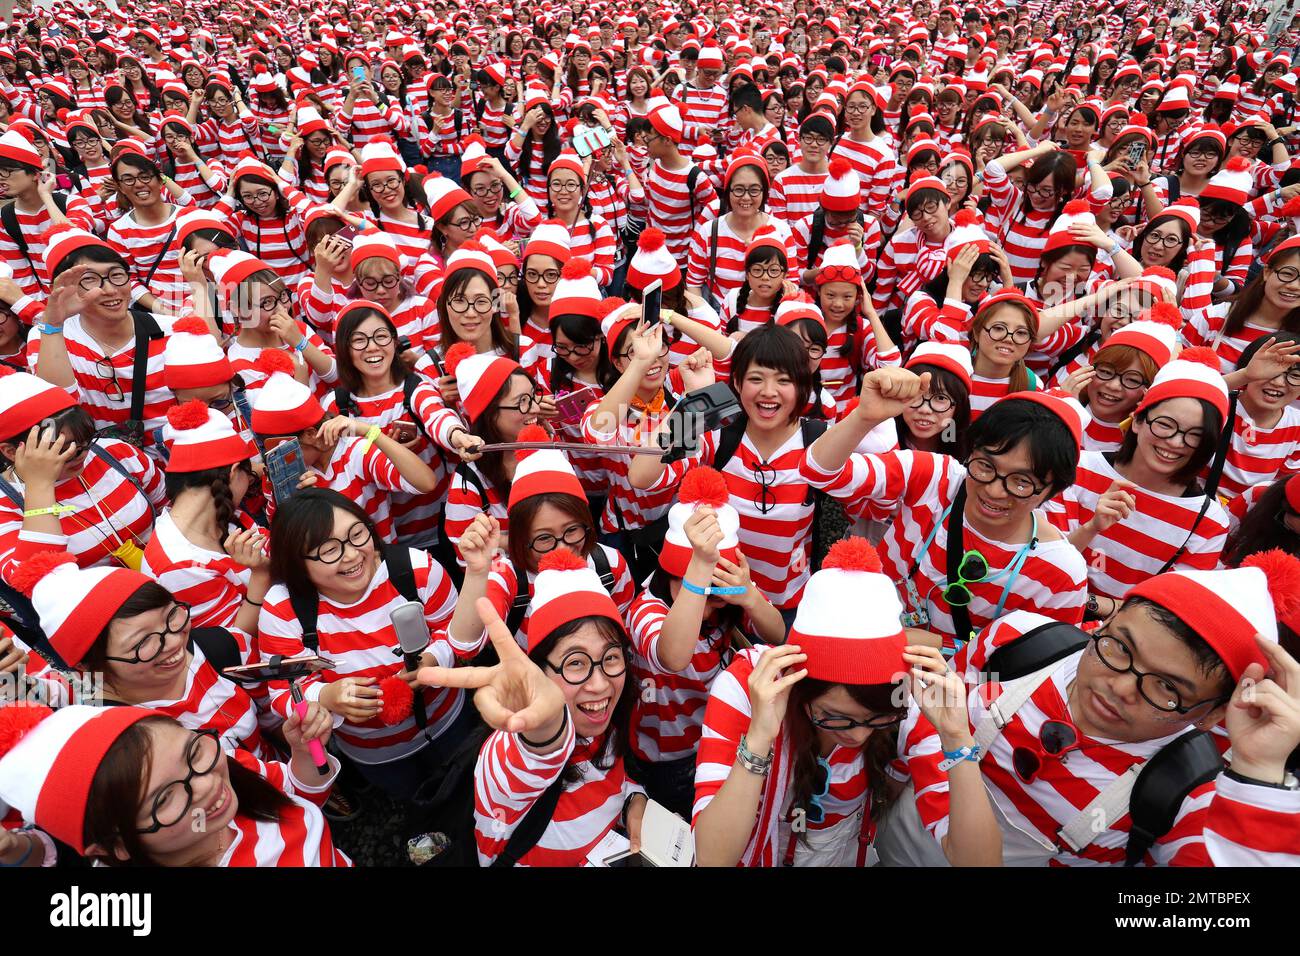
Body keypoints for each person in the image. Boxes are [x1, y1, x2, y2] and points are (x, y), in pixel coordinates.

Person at [882, 557, 1300, 866]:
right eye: (1119, 647)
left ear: (1211, 715)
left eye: (1167, 687)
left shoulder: (1186, 794)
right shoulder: (1020, 640)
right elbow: (928, 718)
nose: (1118, 687)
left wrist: (1260, 771)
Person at [692, 537, 995, 866]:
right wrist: (759, 737)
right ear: (799, 682)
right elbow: (712, 858)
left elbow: (980, 860)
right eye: (835, 716)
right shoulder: (748, 688)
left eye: (878, 719)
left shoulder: (909, 697)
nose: (859, 736)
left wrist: (957, 738)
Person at [802, 370, 1088, 650]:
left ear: (1053, 490)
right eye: (985, 466)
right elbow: (819, 472)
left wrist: (935, 645)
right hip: (861, 640)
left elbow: (1034, 670)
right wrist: (864, 418)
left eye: (1021, 482)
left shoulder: (1060, 573)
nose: (994, 490)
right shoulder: (936, 478)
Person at [418, 552, 646, 866]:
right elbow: (537, 750)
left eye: (611, 658)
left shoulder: (604, 729)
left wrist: (634, 802)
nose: (599, 684)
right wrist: (543, 726)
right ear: (538, 670)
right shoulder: (509, 759)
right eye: (575, 663)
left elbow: (608, 780)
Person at [259, 488, 464, 801]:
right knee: (414, 801)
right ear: (296, 562)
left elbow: (455, 629)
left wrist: (433, 659)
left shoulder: (415, 570)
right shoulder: (282, 609)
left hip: (449, 721)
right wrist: (325, 696)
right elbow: (284, 690)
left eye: (357, 534)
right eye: (329, 550)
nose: (352, 555)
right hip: (375, 753)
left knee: (467, 787)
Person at [0, 704, 348, 866]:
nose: (206, 785)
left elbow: (299, 795)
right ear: (116, 846)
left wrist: (303, 753)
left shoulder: (225, 765)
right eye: (164, 797)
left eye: (192, 751)